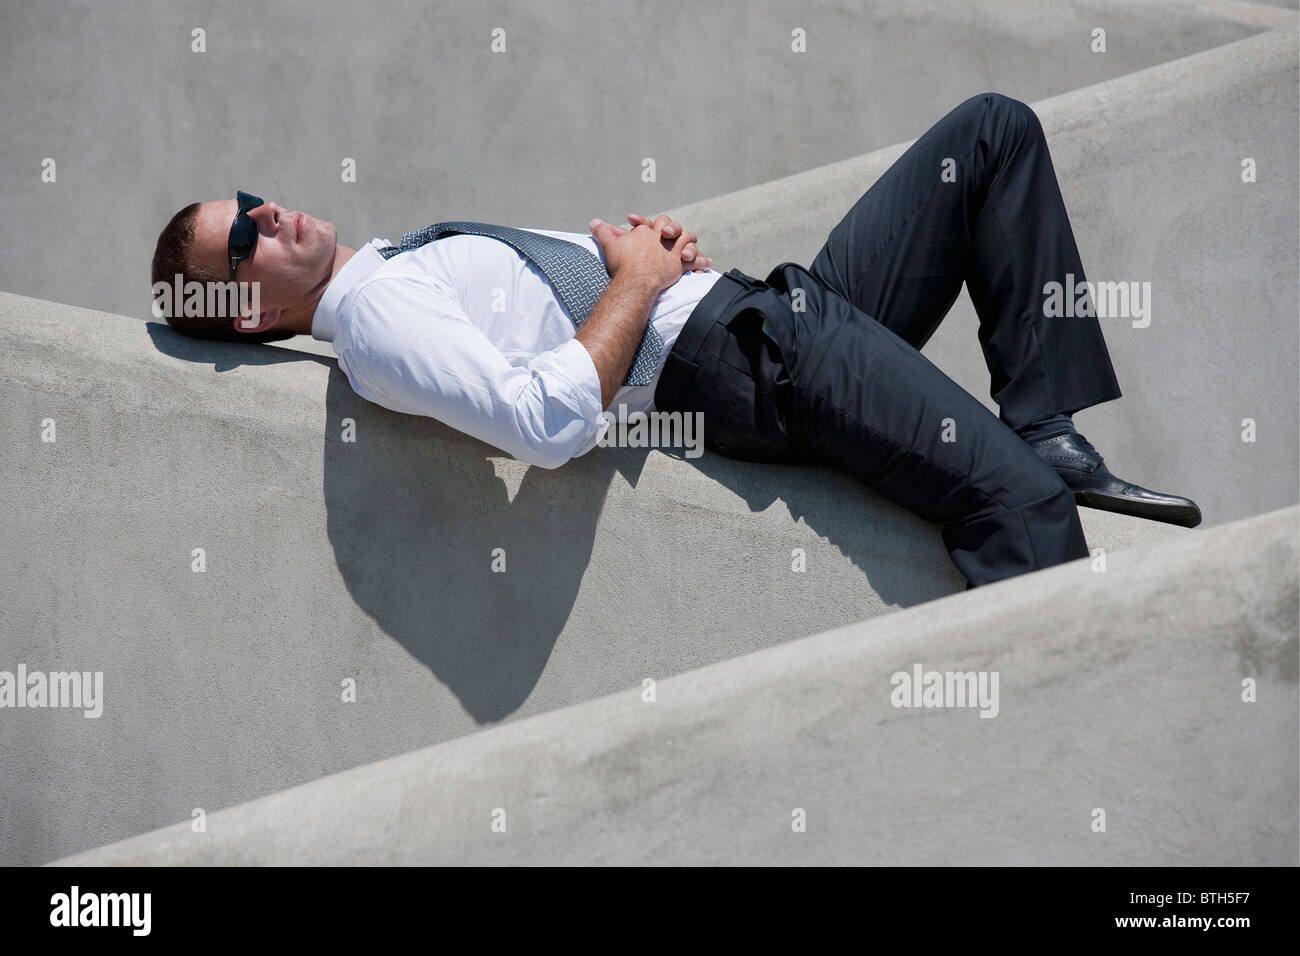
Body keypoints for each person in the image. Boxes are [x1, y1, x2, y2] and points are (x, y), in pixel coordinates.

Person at [150, 92, 1200, 589]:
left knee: (990, 133)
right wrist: (644, 280)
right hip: (745, 361)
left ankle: (1046, 419)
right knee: (1018, 505)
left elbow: (570, 312)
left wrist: (642, 254)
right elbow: (544, 419)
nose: (269, 212)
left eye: (251, 199)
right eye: (243, 236)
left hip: (767, 313)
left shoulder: (393, 265)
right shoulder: (375, 322)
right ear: (246, 313)